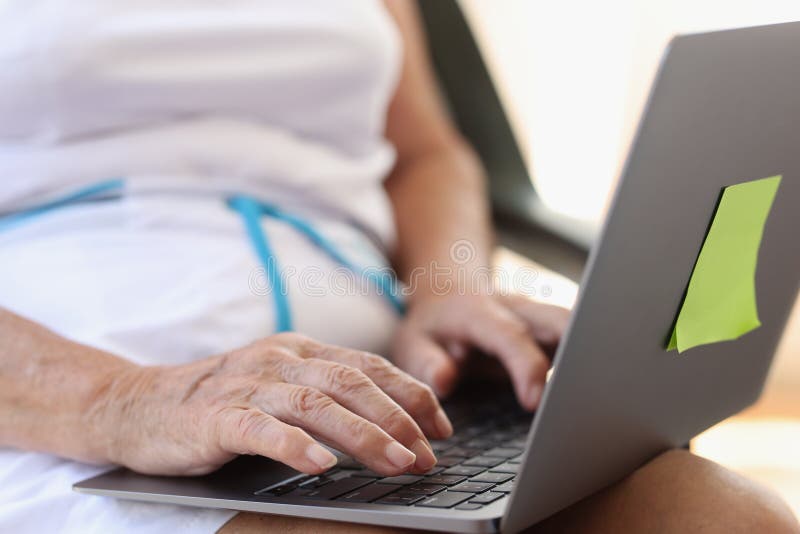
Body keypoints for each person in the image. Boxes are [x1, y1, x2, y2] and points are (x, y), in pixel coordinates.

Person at [0, 1, 797, 532]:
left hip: (382, 384)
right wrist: (120, 400)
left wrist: (448, 290)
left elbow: (425, 153)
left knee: (733, 521)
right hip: (73, 405)